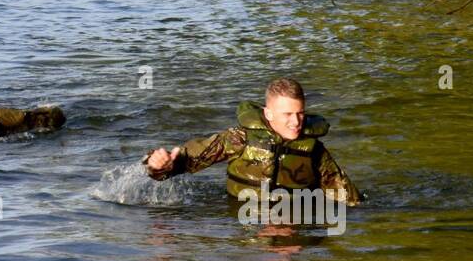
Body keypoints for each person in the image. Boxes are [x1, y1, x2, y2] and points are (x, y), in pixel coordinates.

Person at [143, 78, 363, 206]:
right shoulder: (241, 139)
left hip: (293, 218)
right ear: (268, 114)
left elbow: (347, 199)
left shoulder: (314, 150)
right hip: (242, 216)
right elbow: (187, 160)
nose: (296, 122)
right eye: (287, 114)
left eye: (300, 113)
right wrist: (161, 166)